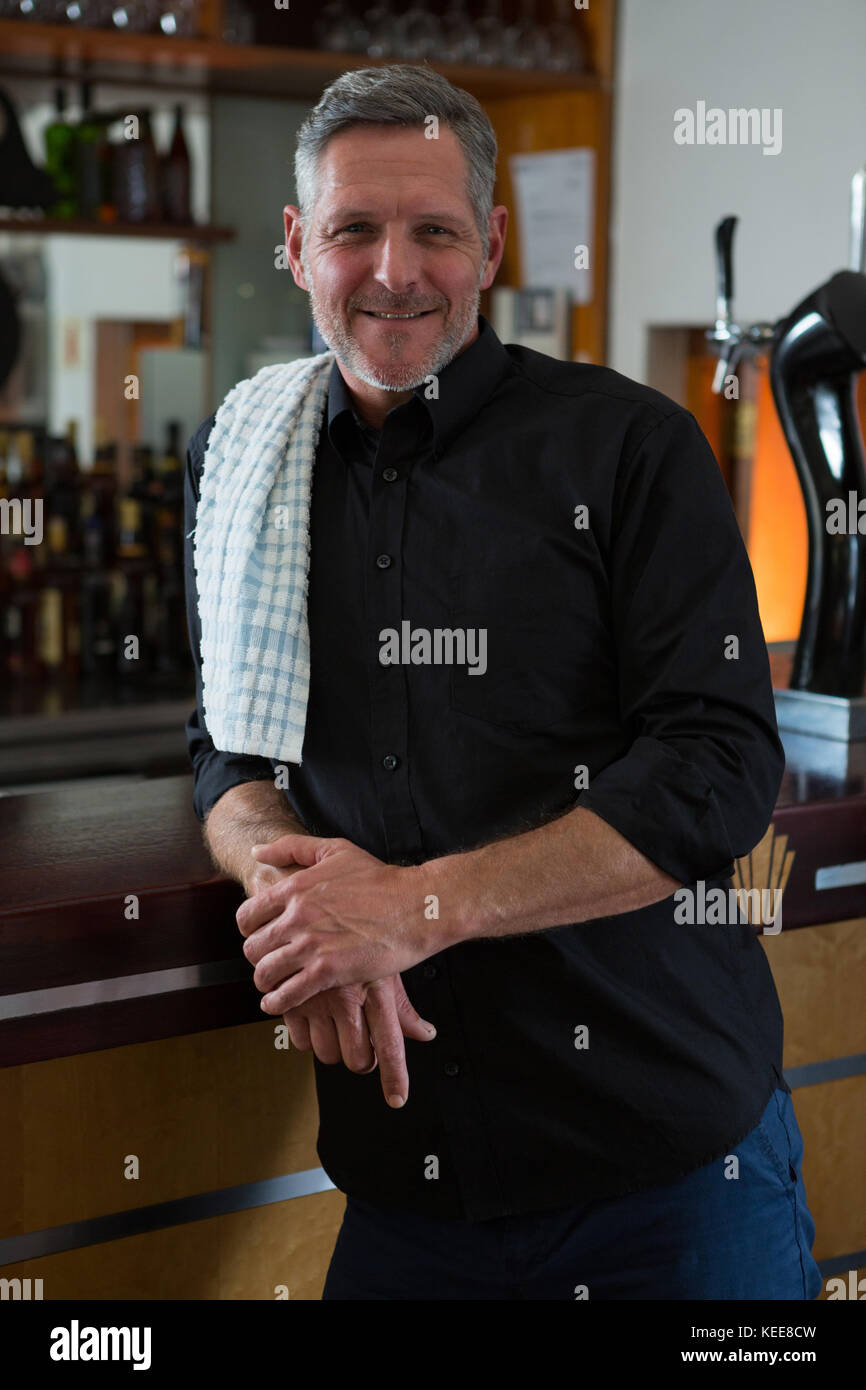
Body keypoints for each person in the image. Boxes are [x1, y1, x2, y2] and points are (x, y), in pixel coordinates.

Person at [183, 63, 822, 1300]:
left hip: (668, 1184)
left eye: (432, 230)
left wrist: (413, 909)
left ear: (488, 245)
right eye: (354, 229)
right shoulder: (240, 462)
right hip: (407, 1191)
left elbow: (717, 765)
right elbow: (227, 751)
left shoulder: (629, 447)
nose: (392, 271)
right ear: (295, 244)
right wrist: (296, 903)